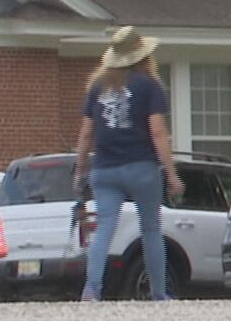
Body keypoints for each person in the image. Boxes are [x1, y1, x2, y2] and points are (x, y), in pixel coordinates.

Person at [75, 27, 182, 302]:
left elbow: (86, 133)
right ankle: (158, 292)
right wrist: (171, 173)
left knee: (104, 229)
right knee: (150, 229)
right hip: (141, 167)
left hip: (104, 168)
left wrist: (80, 169)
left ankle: (91, 289)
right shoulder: (150, 86)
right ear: (142, 56)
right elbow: (158, 133)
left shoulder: (97, 88)